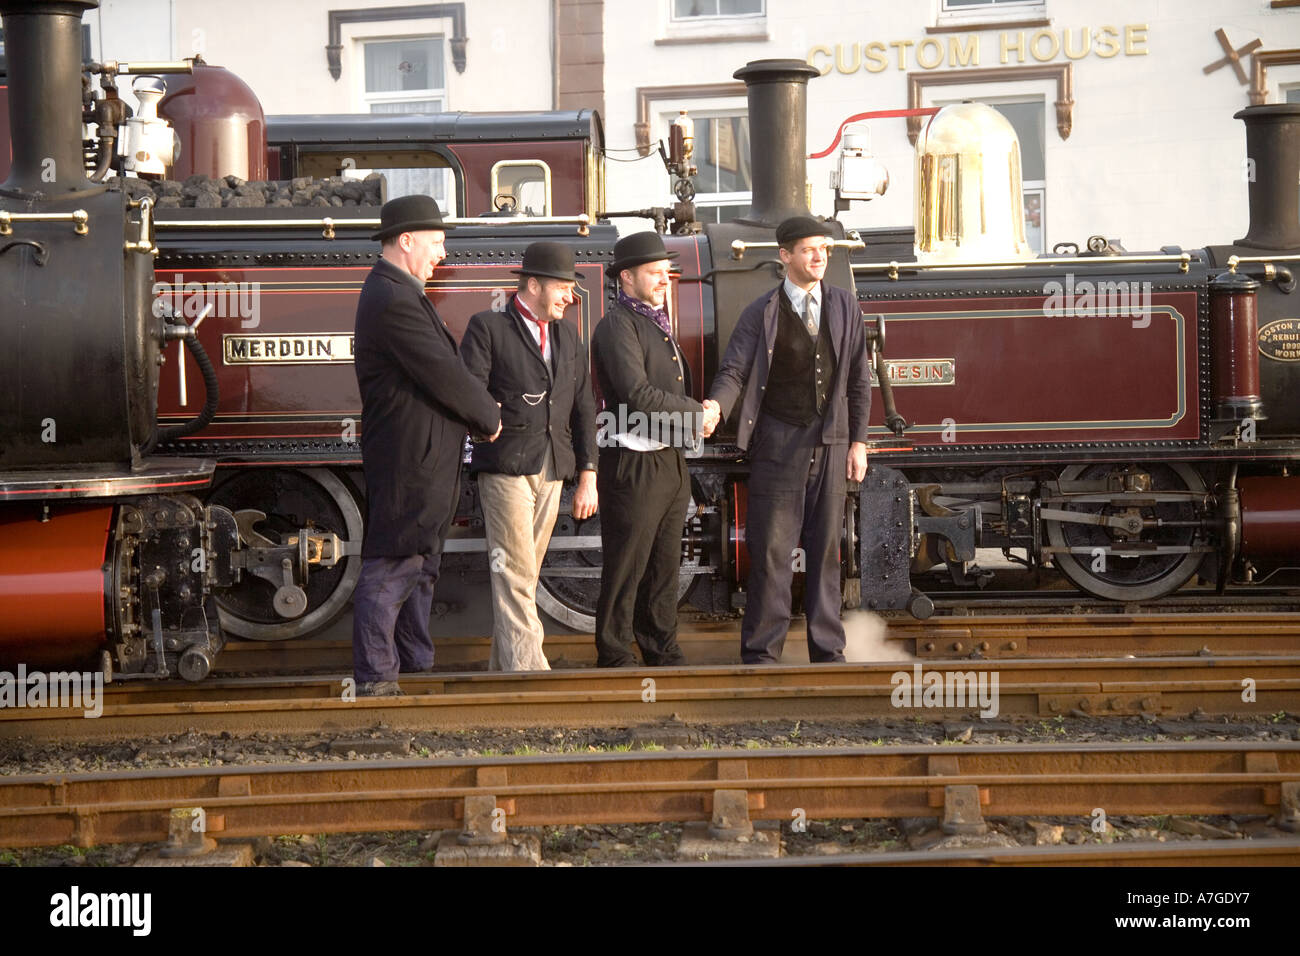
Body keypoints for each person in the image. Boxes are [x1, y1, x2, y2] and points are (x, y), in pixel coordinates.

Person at [351, 195, 502, 696]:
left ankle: (415, 662)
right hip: (409, 461)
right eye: (437, 243)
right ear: (407, 241)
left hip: (424, 460)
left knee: (421, 565)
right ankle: (376, 678)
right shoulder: (393, 298)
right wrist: (488, 416)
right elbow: (444, 374)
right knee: (394, 563)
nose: (443, 253)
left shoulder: (400, 292)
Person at [707, 216, 870, 664]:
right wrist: (717, 406)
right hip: (778, 444)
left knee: (826, 551)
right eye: (809, 249)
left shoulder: (844, 306)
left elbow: (859, 379)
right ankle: (762, 654)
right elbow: (734, 371)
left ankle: (828, 650)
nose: (820, 257)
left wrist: (859, 441)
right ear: (785, 256)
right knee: (772, 553)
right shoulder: (760, 312)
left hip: (833, 443)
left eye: (825, 250)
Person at [459, 241, 599, 671]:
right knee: (516, 572)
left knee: (522, 575)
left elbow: (583, 406)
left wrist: (588, 473)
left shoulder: (569, 335)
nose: (569, 297)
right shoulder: (487, 327)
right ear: (533, 285)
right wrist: (487, 422)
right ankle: (530, 674)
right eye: (561, 287)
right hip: (505, 467)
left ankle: (502, 671)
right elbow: (470, 391)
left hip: (554, 468)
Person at [590, 232, 720, 667]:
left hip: (668, 459)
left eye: (667, 273)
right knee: (628, 563)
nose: (665, 280)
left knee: (665, 564)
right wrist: (694, 413)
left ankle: (660, 647)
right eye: (655, 273)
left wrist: (697, 416)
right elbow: (636, 395)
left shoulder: (655, 324)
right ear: (627, 278)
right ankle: (613, 652)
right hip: (632, 461)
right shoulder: (616, 326)